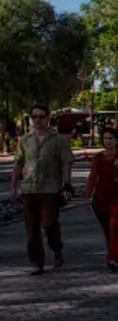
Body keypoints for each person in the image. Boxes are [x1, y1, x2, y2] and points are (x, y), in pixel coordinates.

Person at [9, 103, 74, 275]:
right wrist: (13, 187)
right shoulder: (24, 140)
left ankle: (56, 248)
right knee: (32, 228)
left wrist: (66, 185)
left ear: (47, 118)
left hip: (50, 189)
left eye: (41, 116)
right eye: (34, 117)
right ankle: (37, 262)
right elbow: (18, 164)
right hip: (29, 189)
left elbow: (66, 163)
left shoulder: (58, 140)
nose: (37, 120)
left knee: (49, 223)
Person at [83, 127, 118, 272]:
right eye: (105, 139)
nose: (107, 142)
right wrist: (87, 196)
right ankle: (115, 253)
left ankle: (112, 257)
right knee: (109, 230)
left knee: (115, 225)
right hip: (101, 198)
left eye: (110, 139)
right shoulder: (98, 157)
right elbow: (92, 177)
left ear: (116, 141)